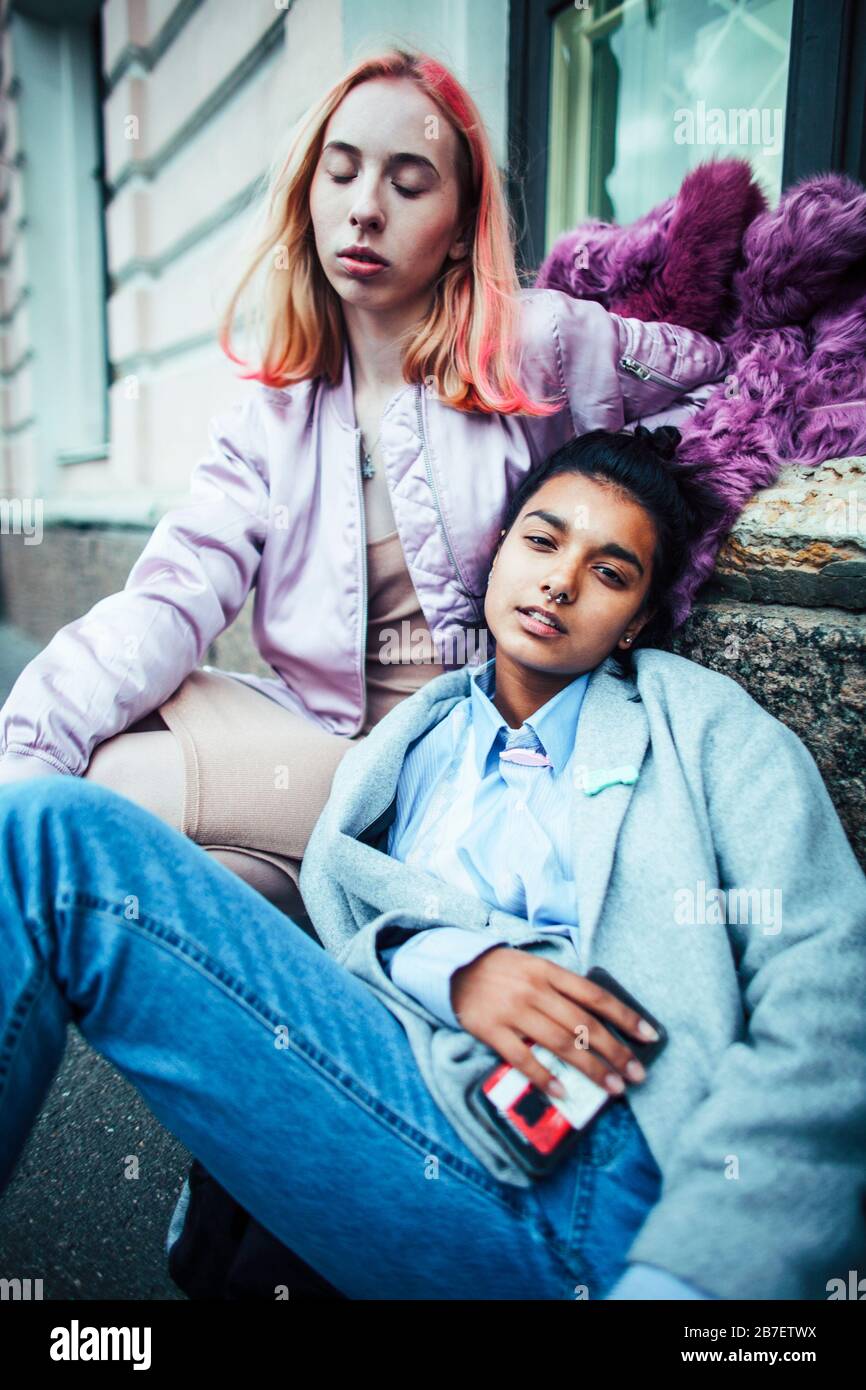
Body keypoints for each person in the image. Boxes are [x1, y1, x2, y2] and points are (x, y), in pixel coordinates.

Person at [2, 426, 863, 1301]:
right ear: (494, 558)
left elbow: (832, 993)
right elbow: (347, 931)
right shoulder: (409, 747)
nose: (561, 581)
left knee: (49, 838)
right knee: (50, 831)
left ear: (638, 619)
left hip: (622, 1181)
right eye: (541, 540)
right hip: (422, 1118)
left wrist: (700, 1276)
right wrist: (450, 966)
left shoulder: (704, 731)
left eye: (610, 572)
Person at [0, 48, 726, 922]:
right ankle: (334, 920)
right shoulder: (270, 417)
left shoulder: (538, 346)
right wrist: (30, 743)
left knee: (108, 795)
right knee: (146, 817)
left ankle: (351, 909)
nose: (365, 210)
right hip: (312, 735)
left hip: (446, 751)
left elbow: (724, 387)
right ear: (309, 195)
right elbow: (169, 597)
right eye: (339, 174)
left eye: (410, 183)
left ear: (462, 225)